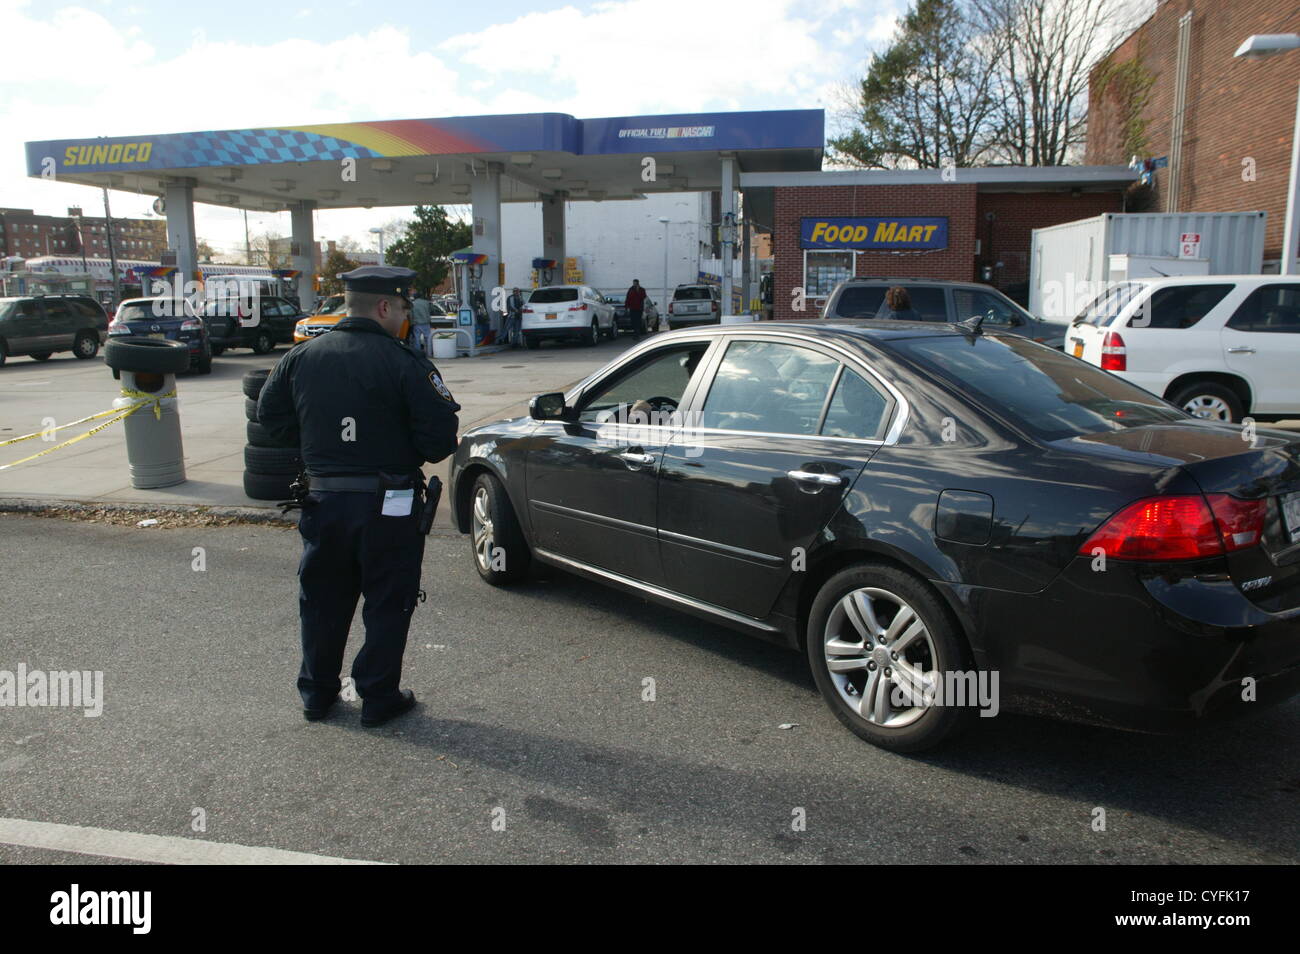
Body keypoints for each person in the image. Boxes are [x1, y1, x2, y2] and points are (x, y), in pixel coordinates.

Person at [257, 265, 461, 728]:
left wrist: (318, 446)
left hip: (323, 501)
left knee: (322, 599)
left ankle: (317, 694)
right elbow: (439, 441)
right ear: (386, 307)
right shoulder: (404, 361)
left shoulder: (300, 357)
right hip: (389, 505)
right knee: (389, 601)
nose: (405, 318)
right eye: (405, 308)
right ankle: (377, 696)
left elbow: (270, 419)